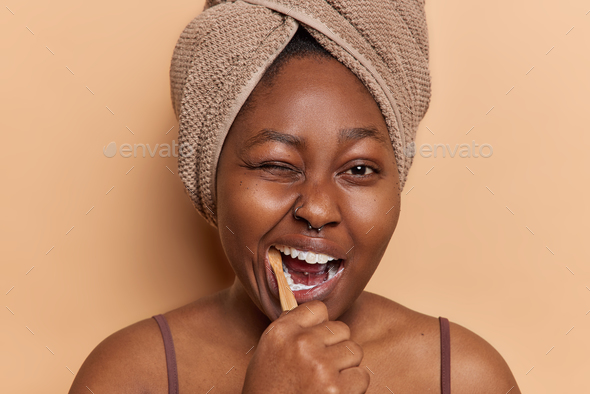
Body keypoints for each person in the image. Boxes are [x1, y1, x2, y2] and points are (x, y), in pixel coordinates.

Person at [69, 1, 521, 393]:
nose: (318, 209)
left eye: (359, 169)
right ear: (211, 175)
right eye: (276, 166)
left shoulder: (465, 378)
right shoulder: (128, 377)